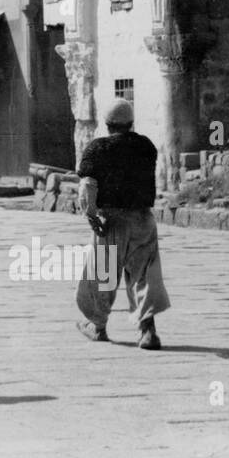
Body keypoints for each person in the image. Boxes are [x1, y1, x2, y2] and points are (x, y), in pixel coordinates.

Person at [75, 98, 170, 350]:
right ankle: (147, 330)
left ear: (107, 124)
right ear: (131, 123)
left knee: (104, 275)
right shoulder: (146, 146)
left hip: (111, 220)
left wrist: (92, 215)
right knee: (144, 275)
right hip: (143, 219)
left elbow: (87, 185)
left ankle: (97, 326)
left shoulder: (97, 148)